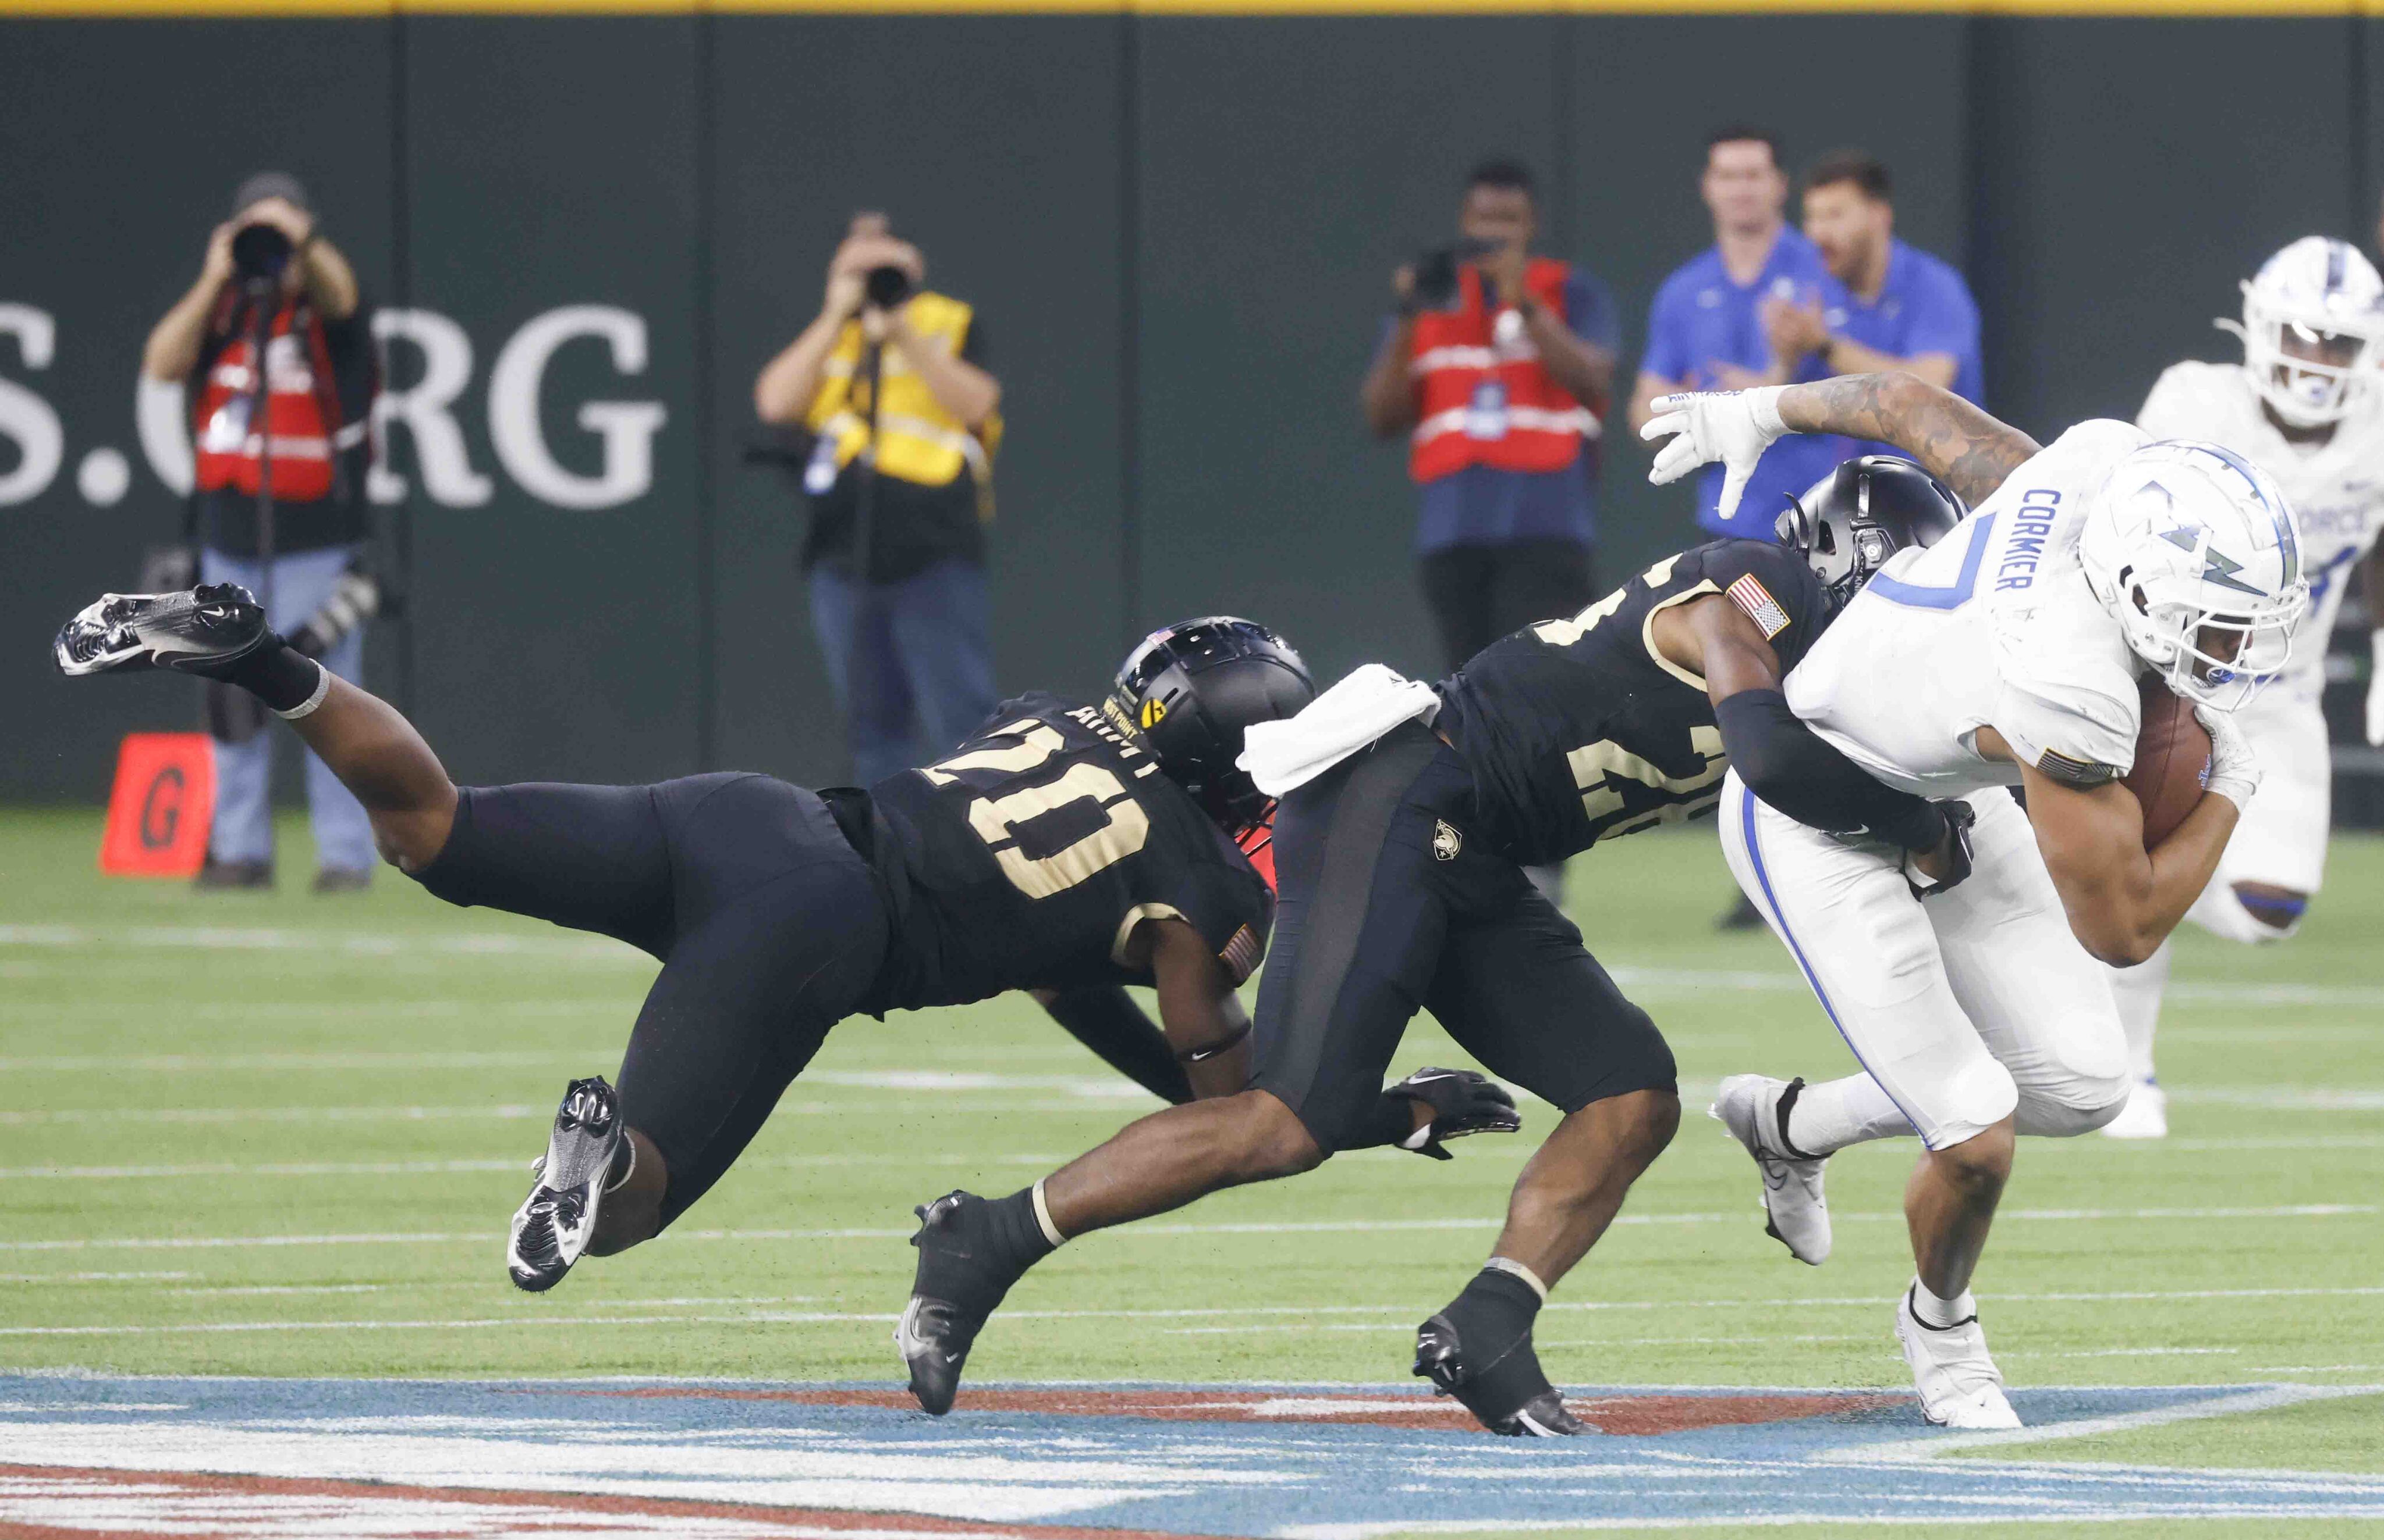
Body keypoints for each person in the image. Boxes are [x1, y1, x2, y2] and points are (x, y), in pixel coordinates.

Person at [890, 463, 1968, 1439]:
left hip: (1472, 842)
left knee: (1630, 1093)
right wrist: (1920, 828)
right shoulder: (1753, 588)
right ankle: (987, 1238)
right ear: (1853, 560)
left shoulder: (1820, 674)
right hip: (1402, 790)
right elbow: (1769, 757)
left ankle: (1488, 1326)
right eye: (1912, 587)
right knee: (1285, 1123)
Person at [56, 600, 1520, 1291]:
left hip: (747, 816)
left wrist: (1100, 975)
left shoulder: (1044, 720)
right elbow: (1230, 1107)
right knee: (629, 1211)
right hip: (822, 928)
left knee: (430, 831)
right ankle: (596, 1158)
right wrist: (1383, 1111)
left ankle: (270, 664)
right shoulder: (1201, 893)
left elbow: (1056, 962)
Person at [1642, 371, 2304, 1427]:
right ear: (2139, 590)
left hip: (1939, 793)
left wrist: (1759, 410)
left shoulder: (2096, 472)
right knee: (1976, 1131)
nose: (2234, 654)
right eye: (2219, 629)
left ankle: (1792, 1124)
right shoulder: (2066, 684)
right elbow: (2125, 928)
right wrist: (2231, 788)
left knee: (2086, 1084)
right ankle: (1942, 1328)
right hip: (1813, 815)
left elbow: (1911, 410)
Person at [2100, 237, 2384, 1138]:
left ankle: (2117, 886)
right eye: (2300, 334)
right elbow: (2127, 522)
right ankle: (2127, 1075)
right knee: (2137, 869)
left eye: (2339, 343)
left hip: (2284, 695)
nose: (2316, 359)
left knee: (2271, 913)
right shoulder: (2199, 401)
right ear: (2259, 326)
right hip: (2170, 680)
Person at [140, 171, 381, 892]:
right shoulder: (224, 314)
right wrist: (216, 273)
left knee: (327, 698)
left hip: (317, 537)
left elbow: (343, 297)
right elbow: (162, 362)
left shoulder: (325, 316)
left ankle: (345, 855)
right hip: (229, 532)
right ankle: (239, 849)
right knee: (229, 697)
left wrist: (304, 244)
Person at [754, 212, 1002, 785]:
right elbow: (776, 403)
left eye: (883, 263)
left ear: (913, 264)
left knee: (963, 719)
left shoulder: (946, 321)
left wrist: (902, 329)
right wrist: (834, 313)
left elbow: (977, 403)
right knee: (872, 726)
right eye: (857, 265)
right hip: (843, 553)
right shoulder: (833, 335)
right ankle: (886, 832)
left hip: (934, 547)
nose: (871, 277)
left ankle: (981, 821)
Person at [1359, 158, 1619, 674]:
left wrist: (1524, 303)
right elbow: (1381, 416)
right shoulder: (1432, 300)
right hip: (1454, 529)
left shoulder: (1570, 290)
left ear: (1531, 226)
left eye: (1509, 221)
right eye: (1484, 220)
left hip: (1545, 523)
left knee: (1549, 676)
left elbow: (1594, 381)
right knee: (1468, 682)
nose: (1495, 235)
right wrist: (1409, 312)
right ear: (1465, 221)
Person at [1627, 129, 1838, 542]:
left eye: (1753, 175)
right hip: (1726, 522)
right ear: (1707, 186)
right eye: (1727, 176)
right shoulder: (1682, 290)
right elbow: (1644, 412)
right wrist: (1701, 408)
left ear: (1781, 184)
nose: (1741, 189)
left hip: (1826, 516)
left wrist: (1770, 383)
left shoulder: (1825, 270)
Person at [1762, 151, 1984, 455]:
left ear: (1879, 216)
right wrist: (1786, 360)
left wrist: (1825, 346)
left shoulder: (1935, 287)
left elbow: (1929, 390)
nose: (1818, 233)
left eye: (1835, 215)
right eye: (1812, 217)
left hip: (1938, 478)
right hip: (1857, 481)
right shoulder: (1816, 292)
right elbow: (1780, 406)